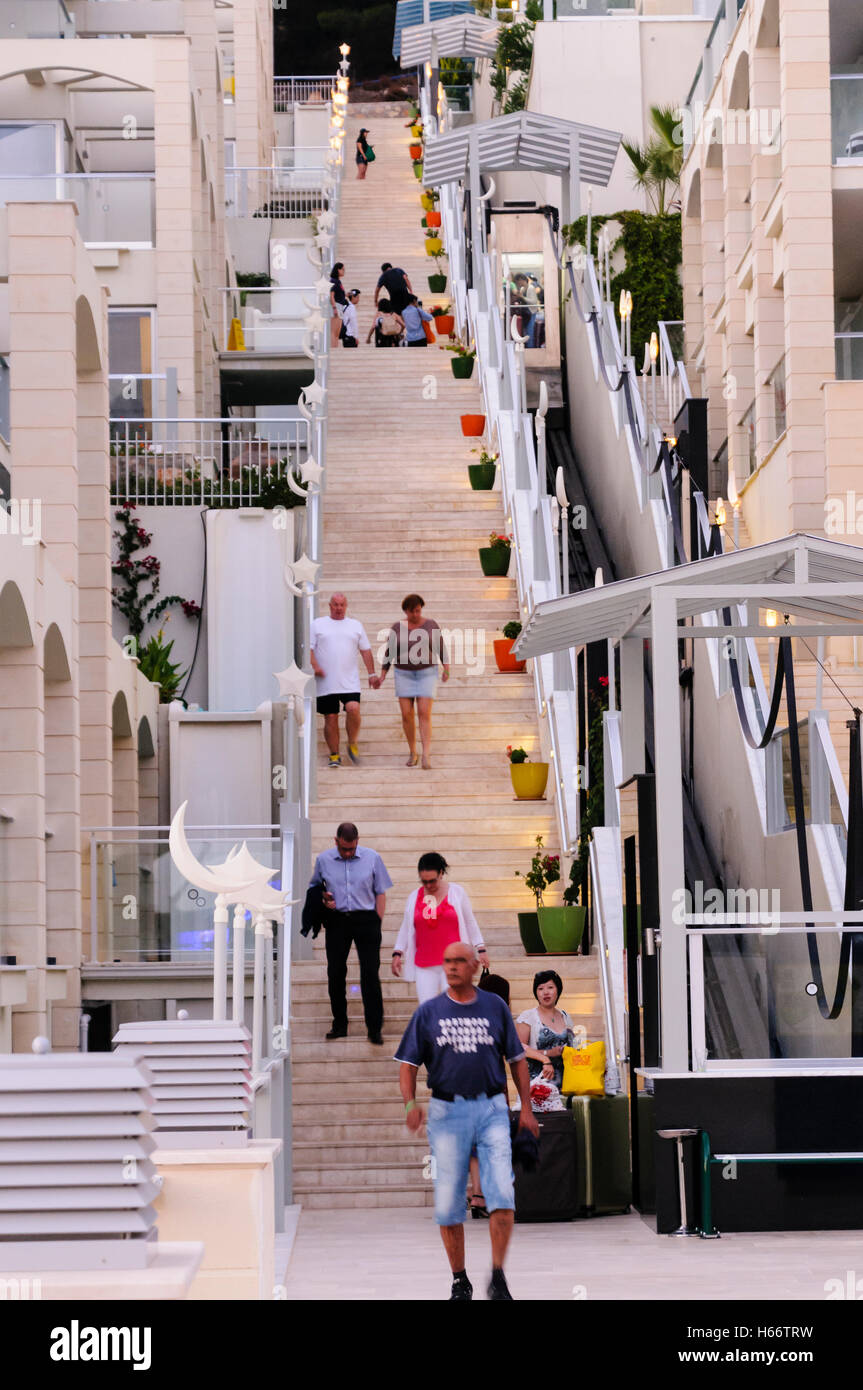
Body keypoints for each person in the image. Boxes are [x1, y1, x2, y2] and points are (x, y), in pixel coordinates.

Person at [396, 942, 538, 1300]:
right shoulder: (428, 1013)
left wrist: (525, 1109)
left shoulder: (495, 1008)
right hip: (446, 1112)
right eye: (447, 961)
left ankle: (498, 1275)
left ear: (475, 966)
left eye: (460, 961)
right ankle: (459, 1279)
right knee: (447, 1205)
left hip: (490, 1108)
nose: (453, 967)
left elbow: (517, 1060)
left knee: (503, 1195)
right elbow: (407, 1065)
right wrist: (410, 1104)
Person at [310, 822, 393, 1044]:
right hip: (337, 920)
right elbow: (315, 888)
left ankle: (374, 1028)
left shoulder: (372, 857)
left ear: (358, 842)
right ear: (336, 841)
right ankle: (340, 1025)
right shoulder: (323, 860)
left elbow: (381, 891)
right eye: (344, 849)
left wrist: (377, 920)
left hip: (366, 919)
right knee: (335, 973)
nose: (348, 853)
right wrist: (323, 900)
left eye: (352, 849)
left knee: (369, 974)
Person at [392, 853, 489, 1002]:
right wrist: (397, 953)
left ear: (441, 874)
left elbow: (470, 922)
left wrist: (480, 948)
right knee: (426, 1007)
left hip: (455, 962)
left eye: (432, 881)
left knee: (453, 1004)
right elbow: (406, 928)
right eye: (424, 881)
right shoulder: (414, 897)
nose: (428, 886)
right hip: (424, 963)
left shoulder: (457, 893)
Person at [377, 593, 449, 767]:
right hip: (403, 673)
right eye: (412, 612)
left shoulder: (431, 625)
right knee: (406, 714)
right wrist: (382, 675)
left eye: (418, 611)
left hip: (427, 672)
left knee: (424, 712)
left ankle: (426, 754)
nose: (415, 615)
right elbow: (389, 653)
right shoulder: (397, 627)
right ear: (405, 611)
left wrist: (446, 668)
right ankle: (412, 752)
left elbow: (441, 647)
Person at [310, 592, 378, 767]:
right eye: (336, 604)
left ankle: (352, 742)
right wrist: (315, 667)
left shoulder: (355, 625)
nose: (339, 608)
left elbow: (366, 650)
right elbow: (308, 649)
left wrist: (371, 674)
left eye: (342, 605)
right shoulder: (318, 624)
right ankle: (334, 755)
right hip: (326, 683)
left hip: (350, 681)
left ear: (346, 606)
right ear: (330, 606)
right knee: (330, 718)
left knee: (353, 708)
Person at [515, 969, 575, 1093]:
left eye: (550, 987)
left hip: (567, 1084)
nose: (545, 992)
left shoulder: (566, 1016)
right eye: (540, 989)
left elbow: (573, 1046)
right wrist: (546, 1056)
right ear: (536, 993)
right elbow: (519, 1048)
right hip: (539, 1085)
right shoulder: (528, 1016)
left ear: (558, 990)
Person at [329, 262, 347, 347]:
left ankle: (335, 347)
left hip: (340, 306)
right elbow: (331, 295)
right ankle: (333, 348)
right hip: (336, 305)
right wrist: (334, 307)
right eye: (342, 269)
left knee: (337, 332)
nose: (344, 271)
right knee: (333, 331)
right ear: (338, 270)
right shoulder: (333, 281)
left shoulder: (338, 281)